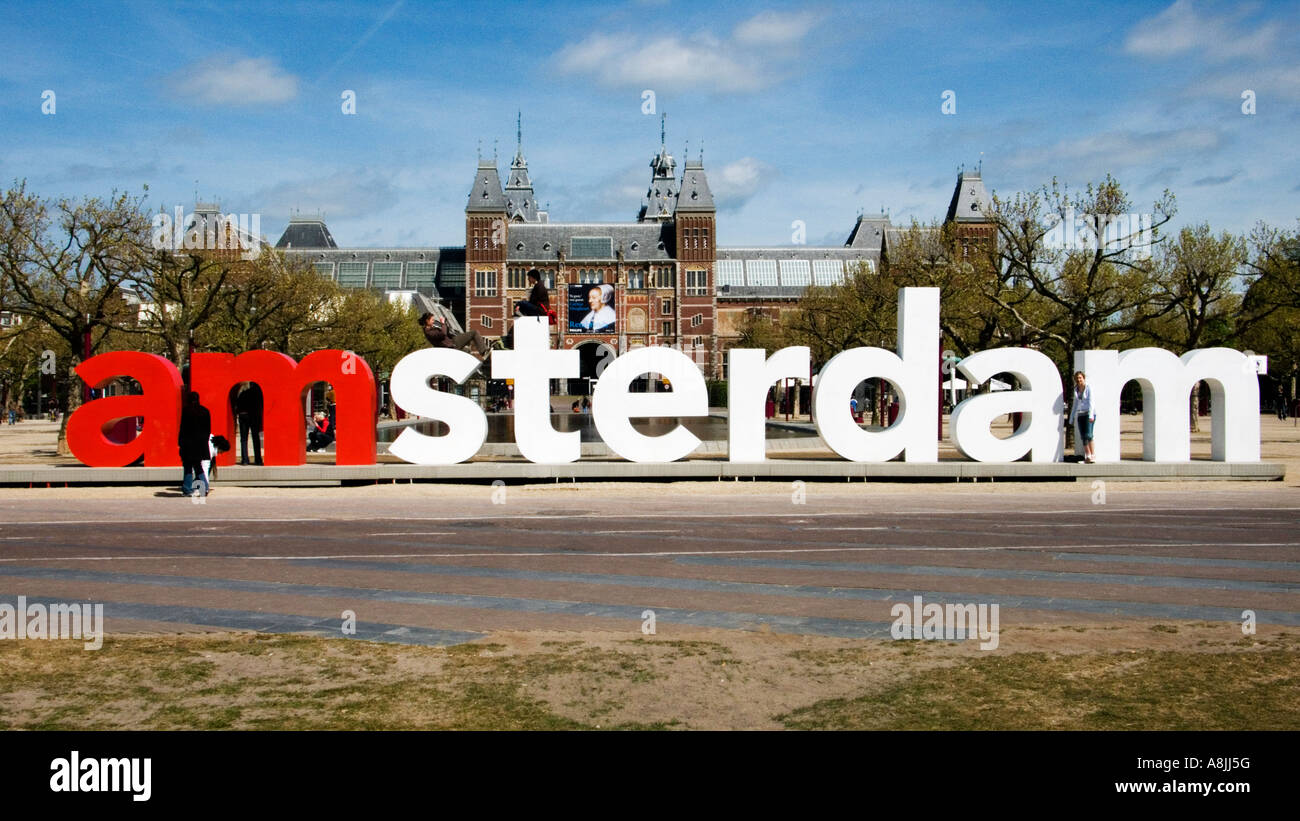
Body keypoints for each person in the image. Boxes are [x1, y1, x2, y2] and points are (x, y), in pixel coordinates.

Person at [178, 390, 212, 497]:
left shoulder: (186, 411)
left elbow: (183, 428)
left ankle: (187, 489)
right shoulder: (205, 411)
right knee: (198, 466)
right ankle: (205, 487)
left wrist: (180, 442)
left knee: (188, 466)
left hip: (188, 444)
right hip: (200, 444)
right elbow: (208, 429)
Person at [419, 312, 491, 358]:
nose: (433, 321)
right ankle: (484, 352)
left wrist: (445, 325)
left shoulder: (432, 328)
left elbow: (445, 332)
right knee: (474, 333)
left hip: (452, 343)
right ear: (427, 321)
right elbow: (443, 334)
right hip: (452, 344)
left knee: (467, 351)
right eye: (432, 320)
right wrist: (443, 323)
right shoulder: (429, 332)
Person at [1069, 370, 1096, 463]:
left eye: (1080, 377)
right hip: (1080, 414)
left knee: (1089, 435)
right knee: (1083, 436)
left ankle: (1093, 455)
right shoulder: (1076, 390)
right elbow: (1075, 404)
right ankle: (1087, 456)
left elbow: (1092, 402)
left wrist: (1091, 415)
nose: (1078, 379)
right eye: (1077, 378)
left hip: (1089, 414)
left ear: (1083, 378)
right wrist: (1071, 417)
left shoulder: (1088, 388)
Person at [234, 382, 264, 466]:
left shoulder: (242, 391)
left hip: (243, 415)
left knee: (244, 438)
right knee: (255, 437)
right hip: (253, 415)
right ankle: (258, 459)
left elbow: (237, 404)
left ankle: (245, 460)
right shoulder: (256, 391)